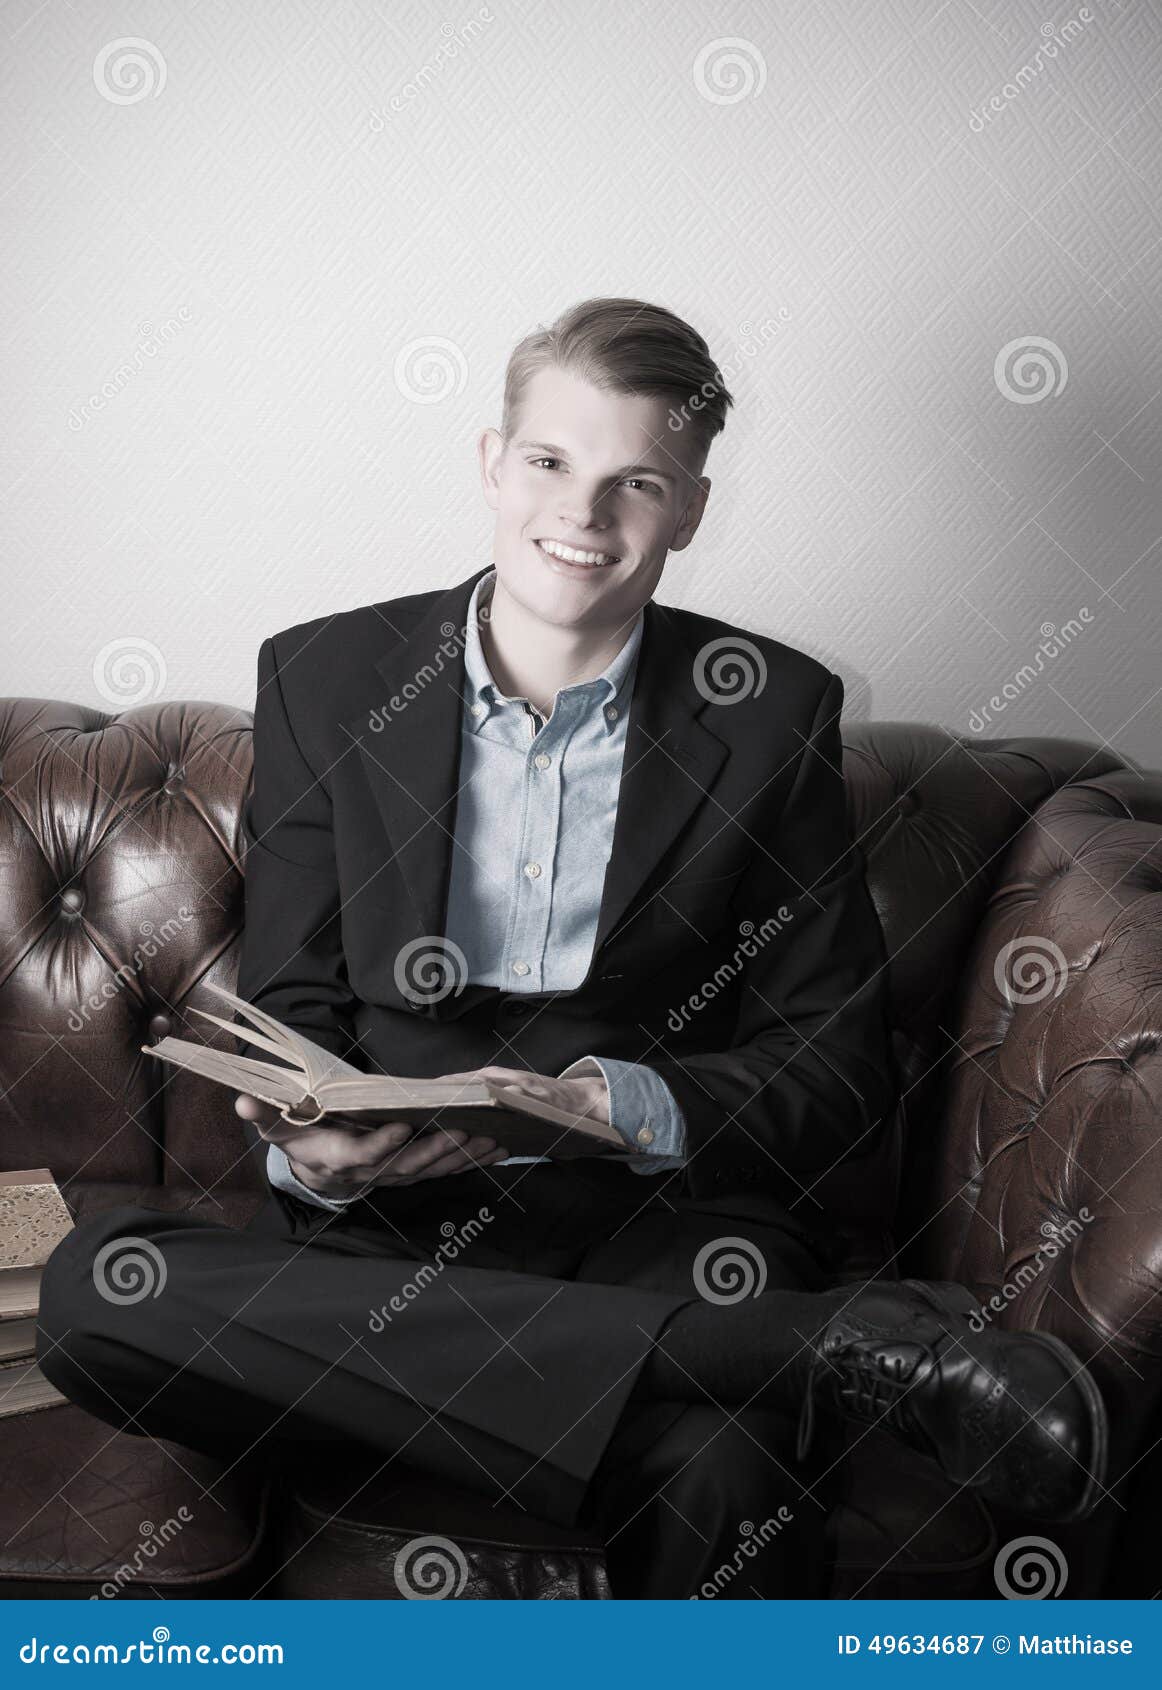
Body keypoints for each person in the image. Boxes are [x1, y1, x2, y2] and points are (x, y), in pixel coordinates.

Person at [37, 298, 1107, 1600]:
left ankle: (650, 1366)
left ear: (691, 507)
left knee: (725, 1477)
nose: (582, 518)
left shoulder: (769, 713)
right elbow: (297, 1006)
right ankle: (809, 1348)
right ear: (491, 462)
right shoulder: (327, 677)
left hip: (665, 1222)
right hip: (384, 1235)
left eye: (634, 482)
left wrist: (620, 1104)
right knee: (99, 1288)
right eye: (550, 463)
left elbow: (832, 1079)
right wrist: (315, 1145)